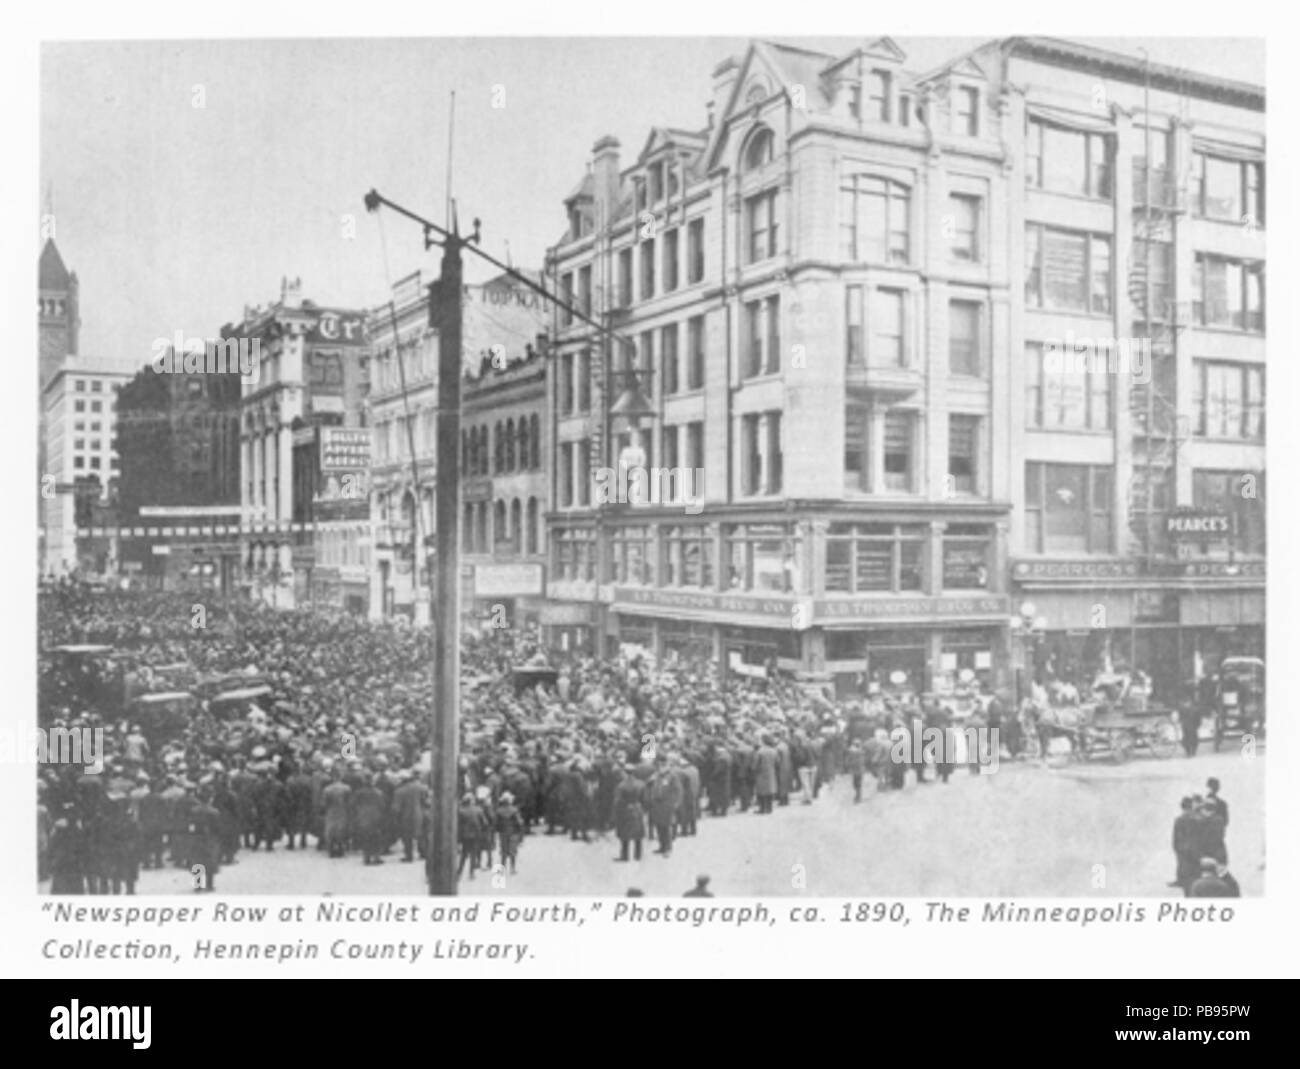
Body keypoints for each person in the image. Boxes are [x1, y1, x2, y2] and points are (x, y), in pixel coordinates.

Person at [648, 756, 682, 856]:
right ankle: (662, 846)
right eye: (659, 765)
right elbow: (649, 785)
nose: (660, 767)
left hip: (667, 804)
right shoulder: (656, 775)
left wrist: (676, 803)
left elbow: (678, 790)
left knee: (666, 827)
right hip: (657, 805)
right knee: (659, 826)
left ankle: (668, 848)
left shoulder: (672, 776)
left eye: (663, 765)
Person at [351, 772, 386, 866]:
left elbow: (353, 805)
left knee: (365, 837)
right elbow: (382, 806)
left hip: (362, 817)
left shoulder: (358, 793)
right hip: (375, 817)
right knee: (376, 838)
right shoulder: (378, 792)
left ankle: (366, 858)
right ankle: (376, 857)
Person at [392, 770, 427, 863]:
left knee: (406, 837)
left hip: (405, 816)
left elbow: (396, 808)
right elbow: (425, 799)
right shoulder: (420, 787)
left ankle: (409, 855)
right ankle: (424, 853)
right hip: (418, 813)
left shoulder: (399, 791)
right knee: (420, 834)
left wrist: (394, 818)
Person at [613, 767, 646, 862]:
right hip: (637, 808)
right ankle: (638, 855)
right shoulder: (641, 784)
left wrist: (617, 811)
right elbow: (644, 799)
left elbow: (618, 800)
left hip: (625, 809)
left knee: (624, 833)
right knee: (638, 833)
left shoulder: (621, 785)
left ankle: (625, 855)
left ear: (625, 772)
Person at [1169, 797, 1199, 893]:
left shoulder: (1179, 820)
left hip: (1183, 850)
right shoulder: (1195, 819)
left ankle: (1182, 882)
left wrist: (1177, 848)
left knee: (1183, 868)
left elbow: (1175, 837)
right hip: (1192, 850)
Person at [456, 791, 490, 879]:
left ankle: (459, 873)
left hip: (465, 835)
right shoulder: (478, 810)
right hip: (476, 835)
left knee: (463, 855)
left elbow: (458, 825)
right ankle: (471, 874)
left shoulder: (461, 811)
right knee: (473, 854)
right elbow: (485, 823)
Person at [321, 769, 352, 859]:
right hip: (343, 811)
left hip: (331, 811)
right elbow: (349, 802)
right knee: (341, 829)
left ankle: (331, 849)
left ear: (332, 777)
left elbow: (324, 803)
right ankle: (341, 848)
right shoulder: (347, 788)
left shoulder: (327, 789)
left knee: (330, 830)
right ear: (340, 777)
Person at [495, 790, 524, 875]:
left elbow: (496, 823)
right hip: (513, 833)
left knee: (503, 852)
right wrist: (521, 834)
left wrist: (498, 830)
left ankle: (502, 870)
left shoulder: (499, 811)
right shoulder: (514, 810)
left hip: (503, 833)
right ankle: (512, 868)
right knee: (513, 852)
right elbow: (519, 823)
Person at [754, 737, 778, 814]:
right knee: (770, 791)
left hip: (761, 773)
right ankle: (769, 808)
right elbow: (777, 762)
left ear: (763, 742)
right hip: (771, 772)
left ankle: (762, 808)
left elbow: (755, 764)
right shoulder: (774, 751)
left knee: (761, 791)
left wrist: (755, 770)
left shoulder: (760, 752)